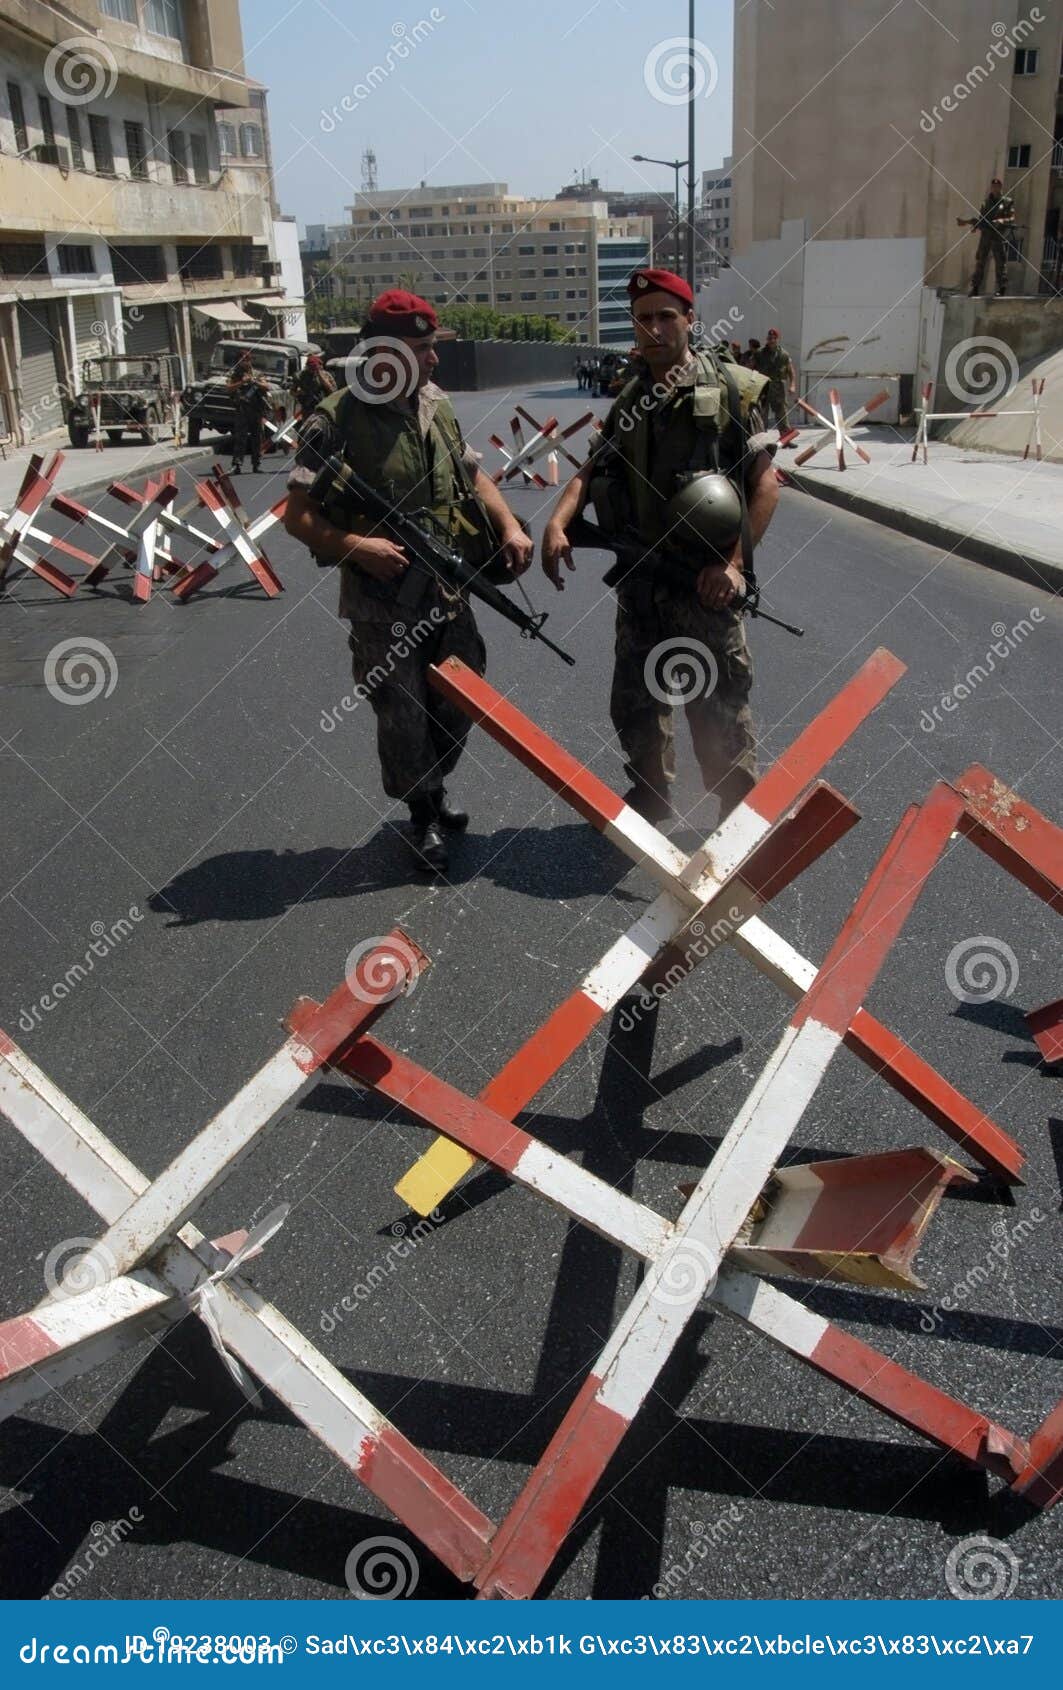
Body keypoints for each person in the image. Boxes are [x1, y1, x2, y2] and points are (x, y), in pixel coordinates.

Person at [283, 289, 534, 874]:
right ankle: (423, 813)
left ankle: (433, 786)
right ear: (389, 351)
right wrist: (356, 547)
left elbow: (472, 476)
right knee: (402, 711)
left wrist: (506, 526)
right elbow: (297, 516)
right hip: (381, 602)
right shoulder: (336, 418)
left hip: (447, 591)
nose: (434, 359)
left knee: (462, 697)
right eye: (423, 348)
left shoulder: (435, 405)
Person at [541, 266, 779, 827]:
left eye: (665, 316)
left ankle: (734, 813)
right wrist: (557, 523)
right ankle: (651, 795)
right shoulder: (630, 398)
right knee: (636, 702)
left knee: (719, 706)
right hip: (641, 581)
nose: (653, 329)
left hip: (704, 584)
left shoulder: (733, 390)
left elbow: (765, 485)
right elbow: (588, 470)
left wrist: (733, 564)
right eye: (642, 319)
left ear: (689, 320)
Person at [958, 177, 1015, 297]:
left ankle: (1002, 287)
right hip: (986, 235)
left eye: (997, 186)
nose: (995, 188)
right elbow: (981, 218)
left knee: (1000, 262)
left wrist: (1001, 221)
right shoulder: (986, 202)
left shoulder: (1007, 202)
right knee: (980, 261)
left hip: (998, 235)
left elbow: (1011, 218)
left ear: (1000, 187)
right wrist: (975, 226)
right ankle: (975, 287)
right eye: (993, 186)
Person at [227, 350, 271, 474]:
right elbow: (229, 389)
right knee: (240, 438)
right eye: (243, 360)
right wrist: (242, 382)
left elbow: (267, 386)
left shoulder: (257, 373)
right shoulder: (234, 374)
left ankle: (256, 464)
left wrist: (254, 381)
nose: (245, 362)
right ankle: (237, 465)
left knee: (257, 438)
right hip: (242, 410)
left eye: (247, 359)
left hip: (256, 410)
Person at [754, 328, 797, 442]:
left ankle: (786, 439)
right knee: (762, 413)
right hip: (763, 386)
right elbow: (750, 367)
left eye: (774, 338)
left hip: (779, 387)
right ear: (767, 339)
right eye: (769, 338)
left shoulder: (784, 354)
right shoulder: (759, 353)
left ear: (777, 339)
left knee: (782, 413)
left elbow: (791, 371)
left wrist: (792, 385)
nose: (771, 340)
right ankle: (761, 440)